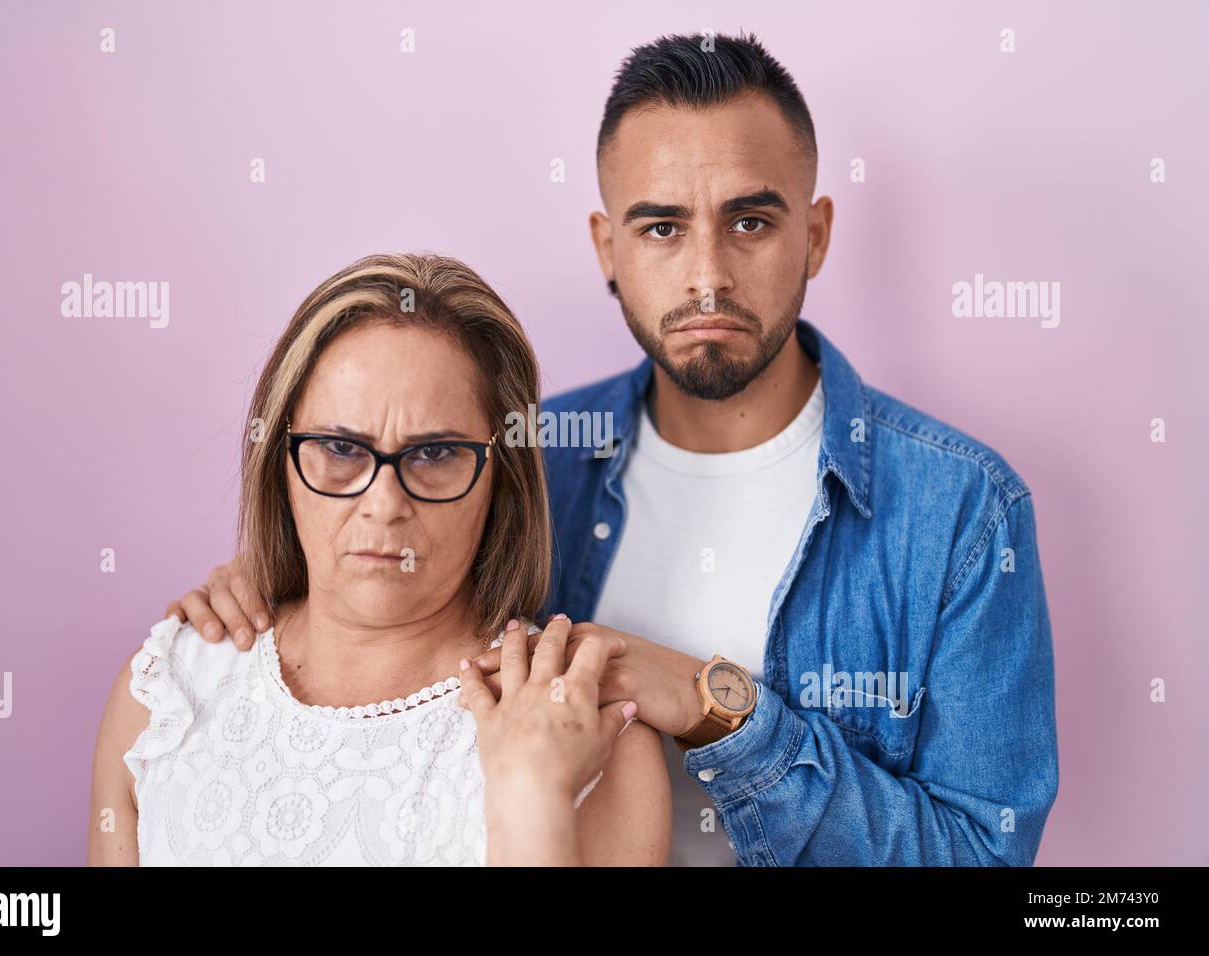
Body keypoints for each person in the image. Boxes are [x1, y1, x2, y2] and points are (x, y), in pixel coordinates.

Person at [170, 32, 1059, 866]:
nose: (707, 273)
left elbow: (987, 852)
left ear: (816, 234)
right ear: (608, 247)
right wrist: (272, 584)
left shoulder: (961, 510)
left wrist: (718, 710)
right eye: (661, 228)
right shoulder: (521, 458)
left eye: (750, 222)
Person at [88, 253, 671, 866]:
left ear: (501, 477)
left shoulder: (591, 730)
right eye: (340, 447)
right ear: (281, 462)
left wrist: (535, 797)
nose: (383, 503)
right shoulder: (163, 695)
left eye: (435, 453)